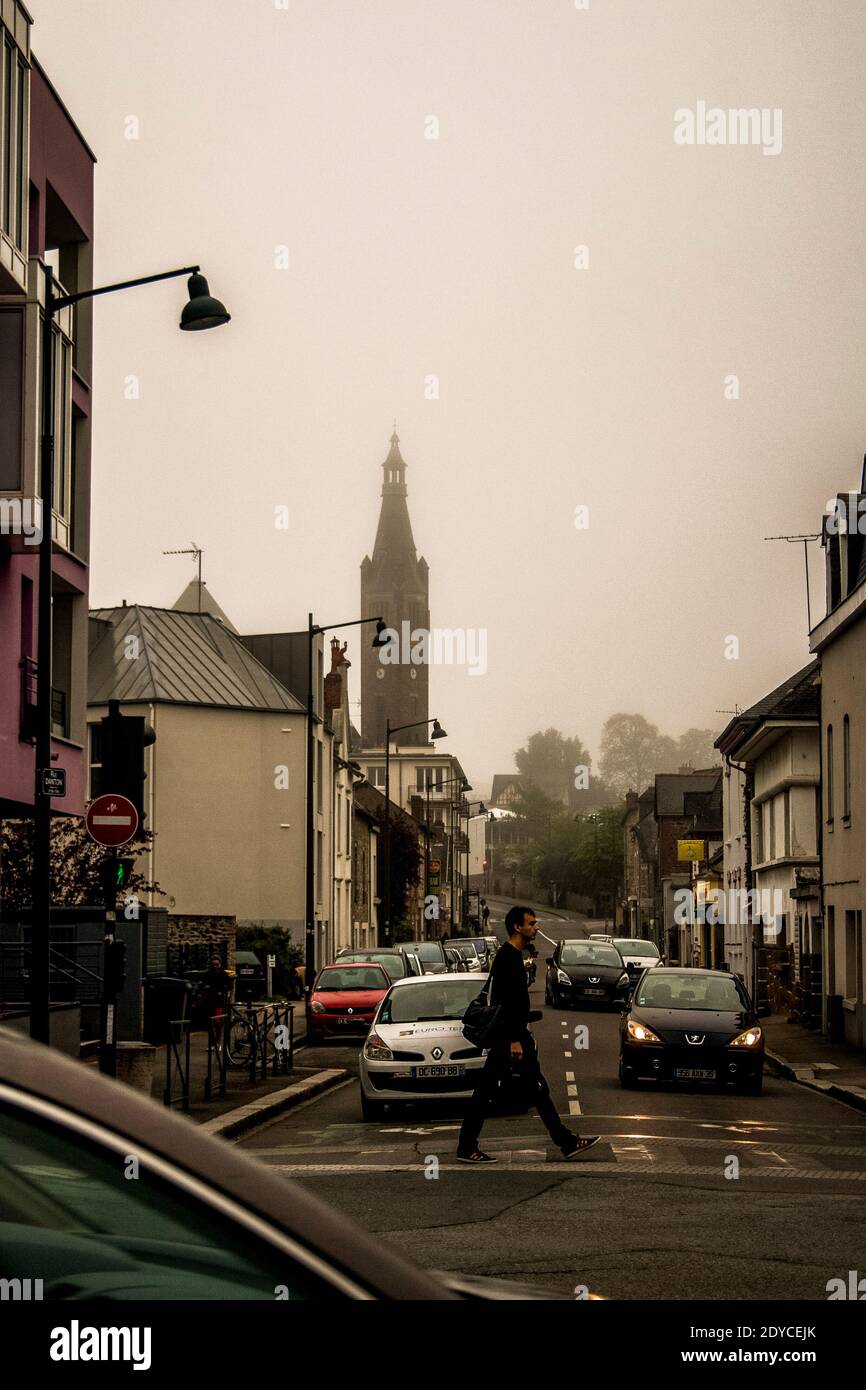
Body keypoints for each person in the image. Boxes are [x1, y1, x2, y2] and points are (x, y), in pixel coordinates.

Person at [456, 905, 600, 1164]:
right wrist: (513, 1040)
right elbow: (506, 1001)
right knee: (495, 1091)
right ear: (517, 927)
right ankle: (467, 1146)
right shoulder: (507, 957)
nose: (536, 927)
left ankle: (565, 1141)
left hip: (513, 1035)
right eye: (531, 923)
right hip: (510, 1038)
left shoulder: (512, 955)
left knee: (533, 1090)